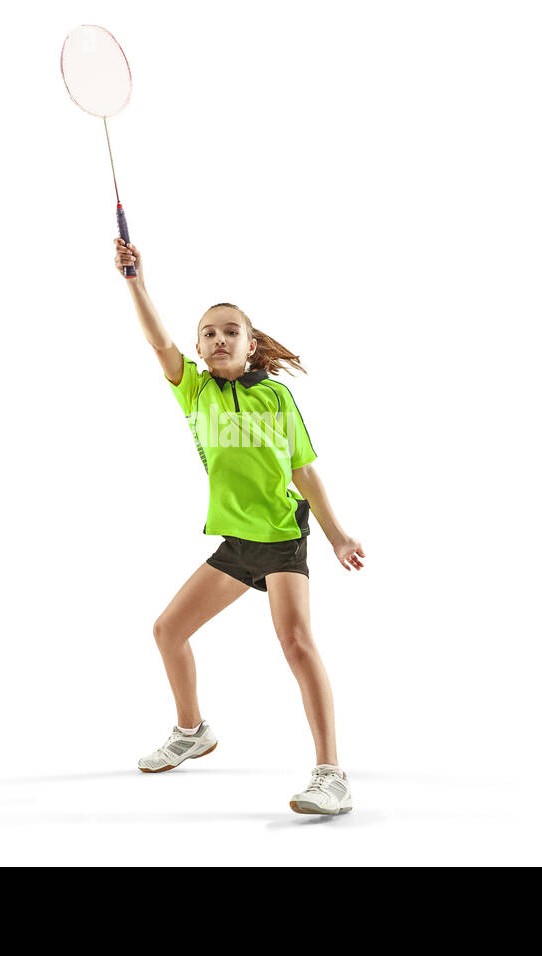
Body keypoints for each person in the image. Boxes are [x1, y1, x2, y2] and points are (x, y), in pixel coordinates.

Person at [114, 237, 366, 815]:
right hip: (236, 541)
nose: (219, 339)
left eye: (231, 331)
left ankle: (331, 775)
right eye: (209, 333)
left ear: (251, 345)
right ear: (200, 348)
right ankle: (192, 731)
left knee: (297, 644)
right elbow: (158, 341)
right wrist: (135, 281)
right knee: (168, 631)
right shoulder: (194, 391)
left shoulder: (276, 397)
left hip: (279, 537)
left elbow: (304, 470)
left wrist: (338, 536)